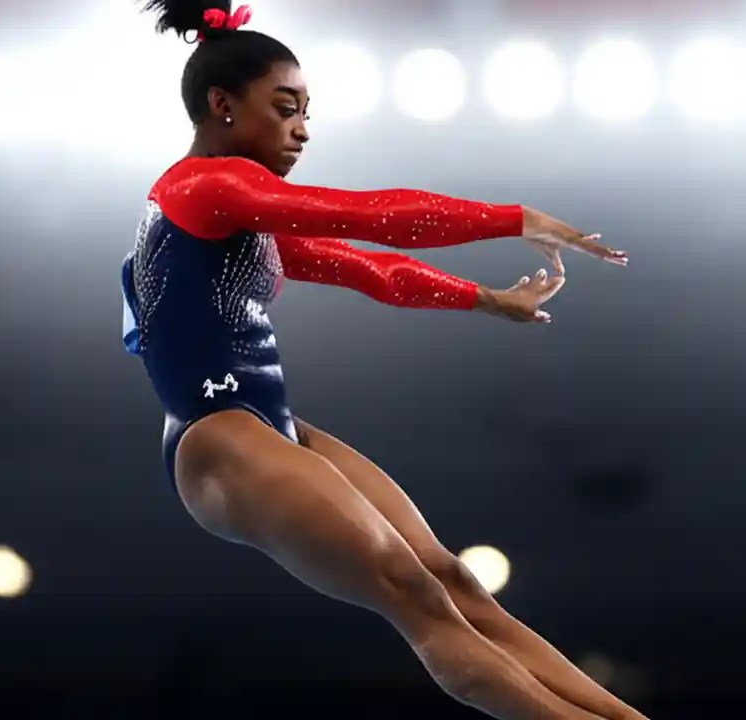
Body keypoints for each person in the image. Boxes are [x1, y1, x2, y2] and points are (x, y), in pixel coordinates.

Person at [121, 2, 642, 719]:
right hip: (216, 435)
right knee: (415, 593)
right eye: (285, 107)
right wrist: (511, 218)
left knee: (452, 579)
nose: (302, 128)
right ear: (222, 104)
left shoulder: (238, 212)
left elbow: (369, 269)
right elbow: (367, 215)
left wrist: (486, 299)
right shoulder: (202, 188)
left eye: (307, 111)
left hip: (267, 424)